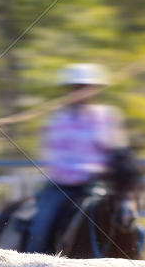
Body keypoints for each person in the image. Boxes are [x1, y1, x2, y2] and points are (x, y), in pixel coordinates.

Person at [25, 63, 128, 254]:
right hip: (63, 187)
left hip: (100, 186)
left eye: (86, 87)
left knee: (130, 224)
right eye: (76, 88)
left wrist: (109, 170)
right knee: (41, 226)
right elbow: (52, 157)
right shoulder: (58, 120)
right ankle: (31, 265)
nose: (81, 92)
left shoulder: (107, 117)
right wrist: (84, 171)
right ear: (68, 91)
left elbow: (117, 151)